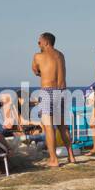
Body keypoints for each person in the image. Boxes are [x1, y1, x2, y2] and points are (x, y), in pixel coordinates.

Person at [31, 32, 75, 167]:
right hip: (62, 91)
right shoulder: (60, 55)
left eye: (39, 42)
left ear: (46, 42)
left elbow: (35, 70)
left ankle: (54, 159)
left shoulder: (38, 56)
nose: (38, 44)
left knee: (49, 127)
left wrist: (41, 71)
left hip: (48, 91)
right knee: (62, 126)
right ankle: (71, 156)